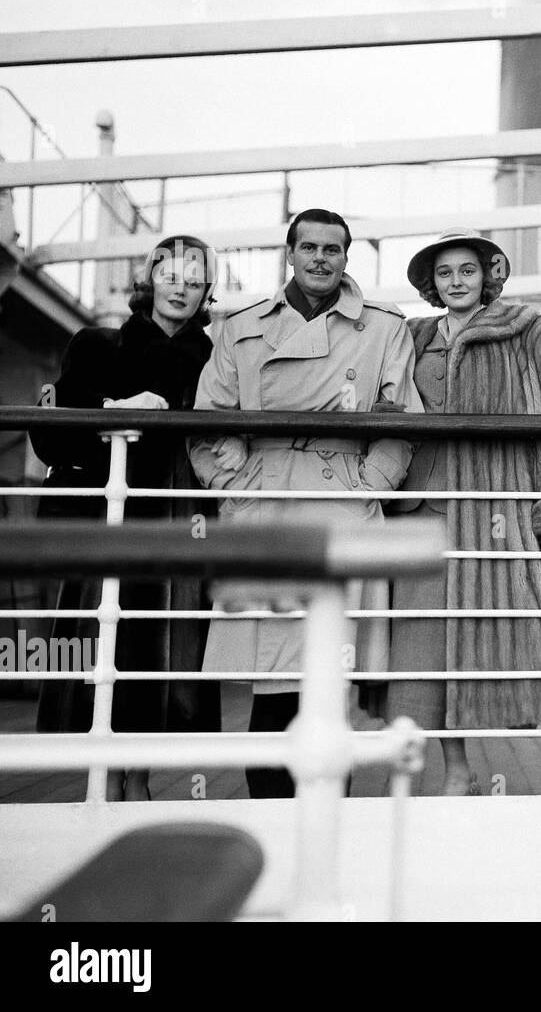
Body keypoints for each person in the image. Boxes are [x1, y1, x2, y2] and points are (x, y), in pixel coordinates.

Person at [188, 208, 418, 799]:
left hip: (337, 498)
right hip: (263, 499)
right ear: (290, 254)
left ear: (347, 257)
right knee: (267, 694)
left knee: (325, 683)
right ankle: (273, 822)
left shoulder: (384, 328)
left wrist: (370, 484)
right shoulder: (239, 327)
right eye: (309, 247)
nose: (321, 258)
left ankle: (324, 829)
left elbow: (404, 421)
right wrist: (230, 488)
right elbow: (204, 423)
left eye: (333, 249)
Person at [30, 234, 221, 800]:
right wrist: (115, 409)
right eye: (170, 275)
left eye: (194, 278)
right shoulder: (96, 344)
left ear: (207, 287)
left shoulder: (218, 354)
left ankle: (135, 782)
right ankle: (110, 782)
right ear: (149, 279)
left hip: (183, 520)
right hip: (109, 515)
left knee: (170, 650)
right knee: (107, 641)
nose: (181, 287)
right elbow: (51, 433)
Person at [385, 228, 541, 795]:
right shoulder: (411, 335)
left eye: (467, 270)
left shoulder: (525, 329)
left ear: (487, 275)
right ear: (432, 283)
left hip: (490, 500)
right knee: (420, 648)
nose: (457, 281)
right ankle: (438, 766)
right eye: (445, 273)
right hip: (419, 501)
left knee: (484, 633)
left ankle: (468, 767)